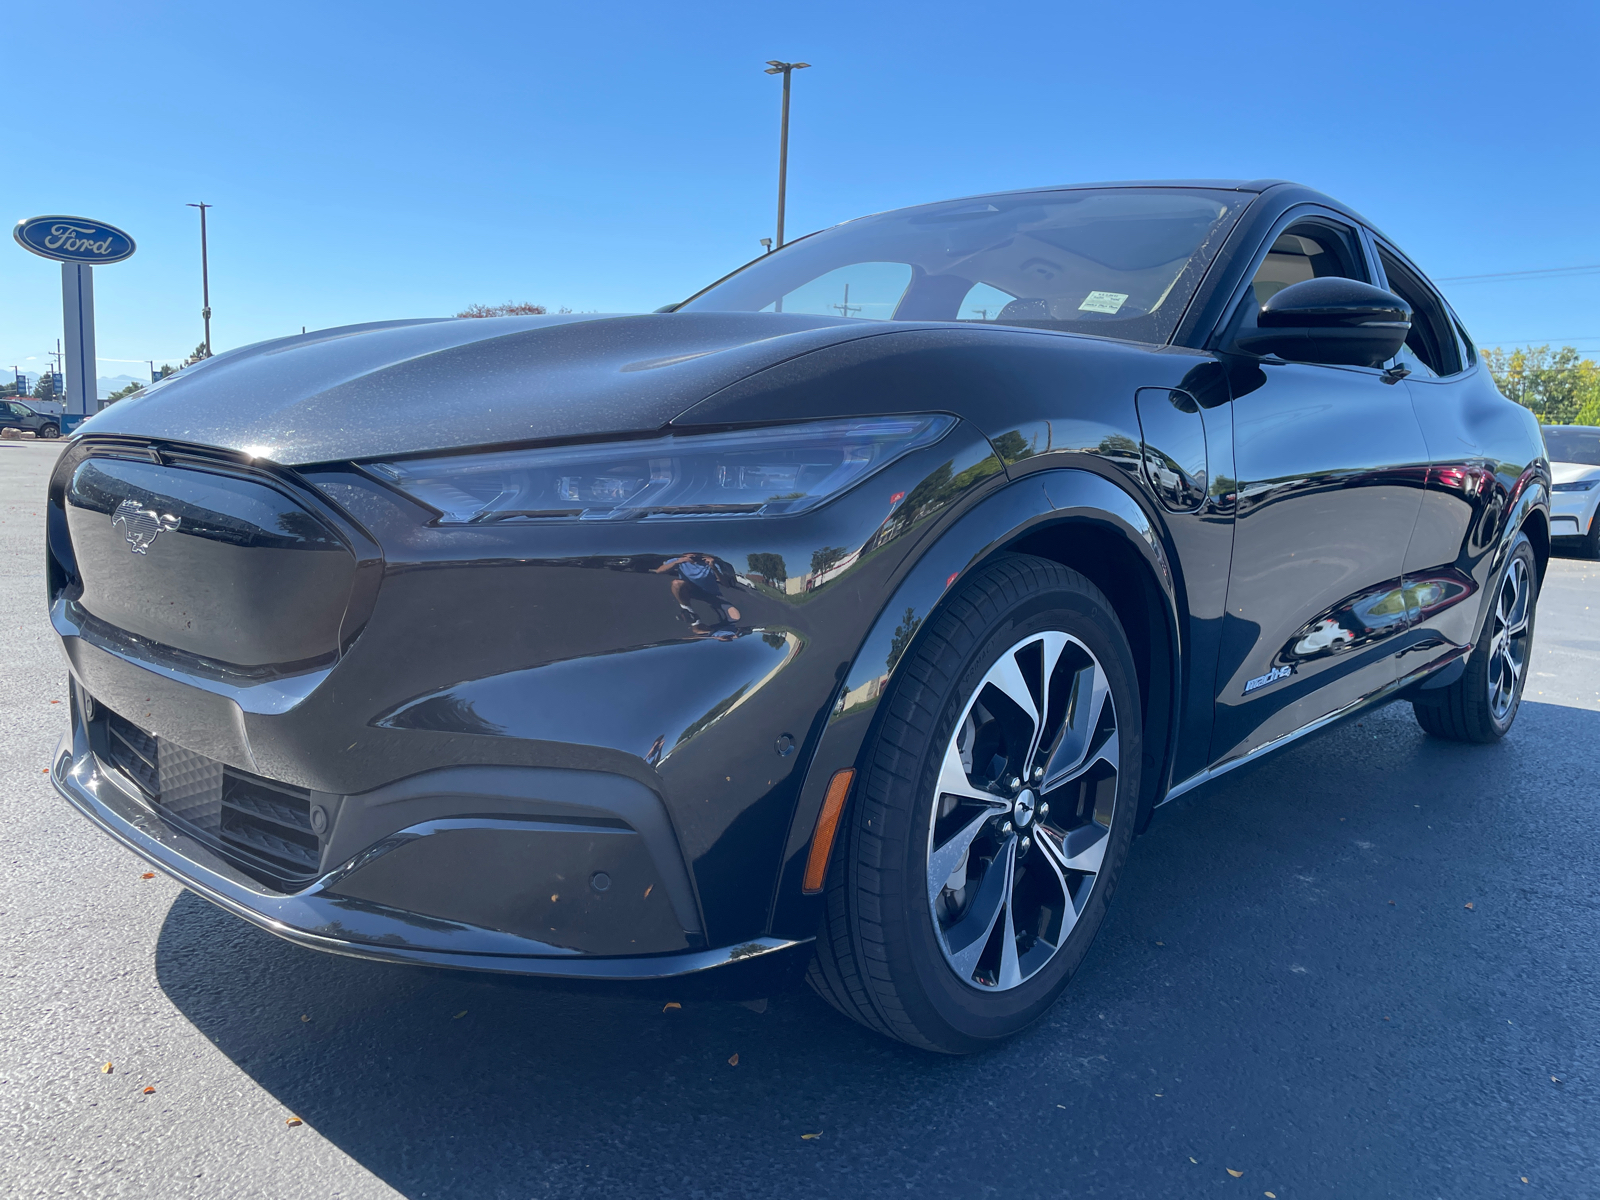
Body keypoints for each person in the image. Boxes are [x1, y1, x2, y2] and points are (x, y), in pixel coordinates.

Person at [654, 553, 741, 631]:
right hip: (691, 590)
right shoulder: (679, 560)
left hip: (712, 593)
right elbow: (659, 571)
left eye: (696, 554)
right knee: (676, 583)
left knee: (735, 617)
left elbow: (725, 584)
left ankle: (723, 632)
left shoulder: (710, 563)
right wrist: (678, 562)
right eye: (689, 553)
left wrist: (714, 568)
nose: (693, 556)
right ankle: (688, 611)